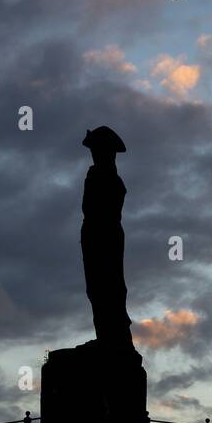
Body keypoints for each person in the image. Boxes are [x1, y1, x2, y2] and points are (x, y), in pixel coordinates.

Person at [80, 126, 130, 347]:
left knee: (108, 286)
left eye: (97, 149)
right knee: (98, 288)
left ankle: (114, 339)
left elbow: (96, 210)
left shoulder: (107, 178)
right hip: (96, 235)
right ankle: (107, 337)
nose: (94, 154)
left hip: (104, 236)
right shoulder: (99, 175)